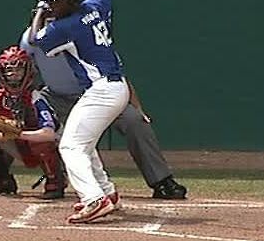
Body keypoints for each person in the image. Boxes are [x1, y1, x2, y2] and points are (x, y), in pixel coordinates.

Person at [19, 24, 188, 201]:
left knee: (135, 121)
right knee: (11, 112)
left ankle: (161, 181)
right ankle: (4, 176)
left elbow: (116, 74)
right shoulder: (32, 37)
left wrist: (137, 108)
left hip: (98, 95)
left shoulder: (86, 30)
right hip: (56, 96)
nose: (50, 17)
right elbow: (22, 66)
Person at [26, 0, 130, 224]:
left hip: (103, 91)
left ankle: (94, 198)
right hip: (112, 88)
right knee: (82, 142)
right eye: (50, 2)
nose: (52, 6)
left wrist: (39, 10)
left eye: (57, 1)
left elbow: (34, 39)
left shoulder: (65, 27)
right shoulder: (95, 4)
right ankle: (106, 191)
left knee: (70, 146)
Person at [0, 46, 64, 198]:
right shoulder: (0, 99)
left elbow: (49, 134)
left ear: (27, 71)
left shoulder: (36, 99)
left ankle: (55, 179)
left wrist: (18, 133)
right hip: (21, 145)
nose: (13, 75)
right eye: (9, 71)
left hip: (54, 149)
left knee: (40, 142)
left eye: (18, 71)